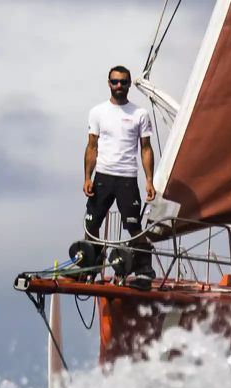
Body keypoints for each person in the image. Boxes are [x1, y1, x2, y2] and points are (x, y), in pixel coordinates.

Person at [83, 65, 156, 290]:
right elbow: (92, 146)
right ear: (109, 83)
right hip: (103, 176)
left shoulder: (139, 114)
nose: (119, 86)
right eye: (115, 82)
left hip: (127, 178)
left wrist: (149, 180)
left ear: (128, 84)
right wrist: (87, 177)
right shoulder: (97, 112)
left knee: (134, 227)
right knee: (91, 224)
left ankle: (145, 271)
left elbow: (146, 148)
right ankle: (90, 268)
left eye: (123, 82)